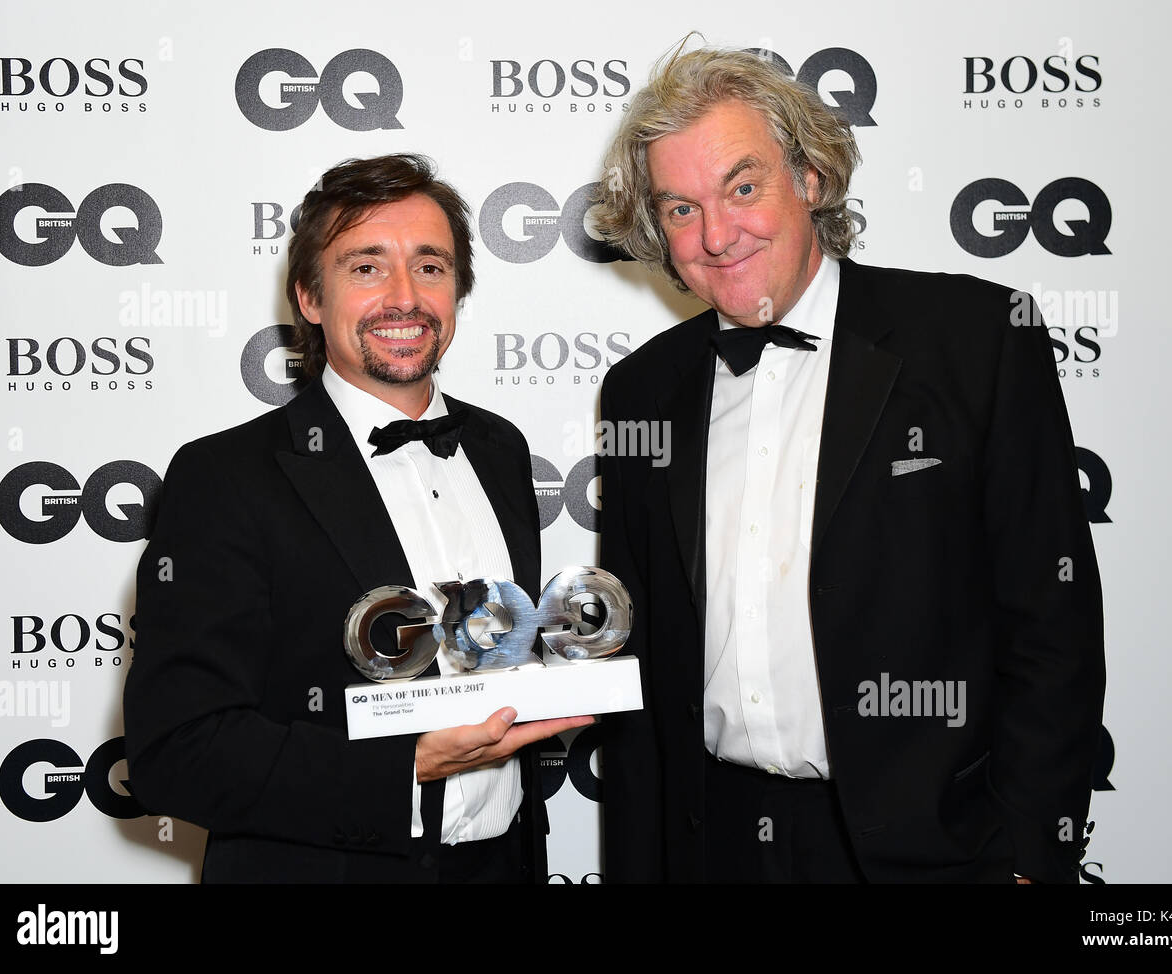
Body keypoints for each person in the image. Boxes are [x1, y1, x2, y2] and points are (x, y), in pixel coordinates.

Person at [592, 45, 1105, 883]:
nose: (717, 236)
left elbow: (1053, 627)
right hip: (715, 846)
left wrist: (1028, 861)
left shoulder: (975, 339)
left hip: (936, 850)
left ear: (813, 177)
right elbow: (639, 661)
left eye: (743, 187)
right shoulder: (642, 388)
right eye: (680, 209)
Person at [123, 153, 590, 883]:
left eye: (430, 267)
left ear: (460, 290)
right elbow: (175, 750)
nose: (404, 297)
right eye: (366, 268)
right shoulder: (225, 477)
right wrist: (405, 767)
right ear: (309, 296)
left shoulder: (499, 449)